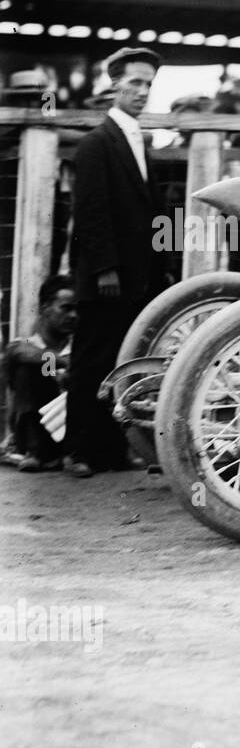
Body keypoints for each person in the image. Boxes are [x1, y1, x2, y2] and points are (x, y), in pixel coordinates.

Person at [64, 47, 170, 478]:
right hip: (106, 275)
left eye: (148, 85)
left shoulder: (140, 142)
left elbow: (154, 209)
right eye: (135, 83)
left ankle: (111, 449)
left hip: (137, 274)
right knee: (92, 360)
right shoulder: (95, 143)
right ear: (114, 86)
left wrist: (163, 262)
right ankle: (78, 451)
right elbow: (90, 212)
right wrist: (104, 268)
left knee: (123, 362)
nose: (143, 92)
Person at [3, 275, 76, 472]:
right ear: (44, 308)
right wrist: (61, 362)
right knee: (28, 368)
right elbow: (18, 353)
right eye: (66, 308)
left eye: (77, 310)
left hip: (68, 435)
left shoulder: (77, 347)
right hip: (32, 436)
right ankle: (33, 452)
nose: (73, 315)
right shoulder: (26, 343)